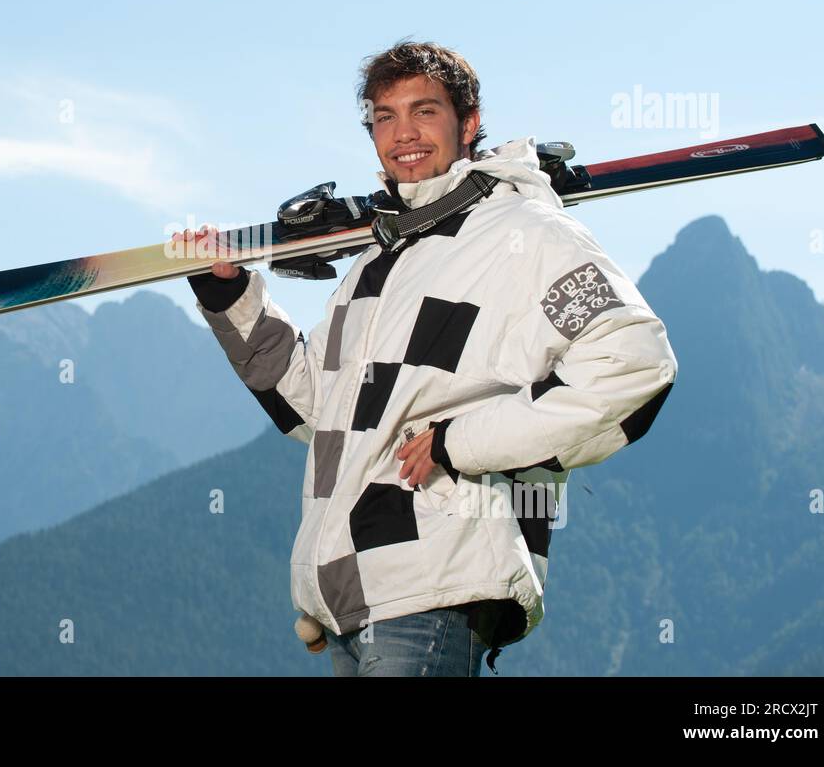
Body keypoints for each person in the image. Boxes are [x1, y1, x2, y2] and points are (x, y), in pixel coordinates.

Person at [177, 41, 677, 677]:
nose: (403, 133)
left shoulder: (527, 233)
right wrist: (228, 294)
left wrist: (462, 443)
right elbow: (316, 411)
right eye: (384, 116)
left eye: (424, 111)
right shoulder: (375, 265)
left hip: (434, 589)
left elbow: (635, 363)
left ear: (468, 123)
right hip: (350, 605)